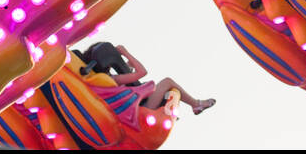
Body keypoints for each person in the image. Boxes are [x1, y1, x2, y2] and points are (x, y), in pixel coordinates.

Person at [76, 41, 215, 115]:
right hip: (141, 109)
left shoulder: (102, 79)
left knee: (170, 90)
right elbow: (142, 72)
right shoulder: (111, 79)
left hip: (138, 106)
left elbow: (135, 76)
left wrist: (125, 65)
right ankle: (196, 105)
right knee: (167, 82)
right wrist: (125, 53)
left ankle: (190, 106)